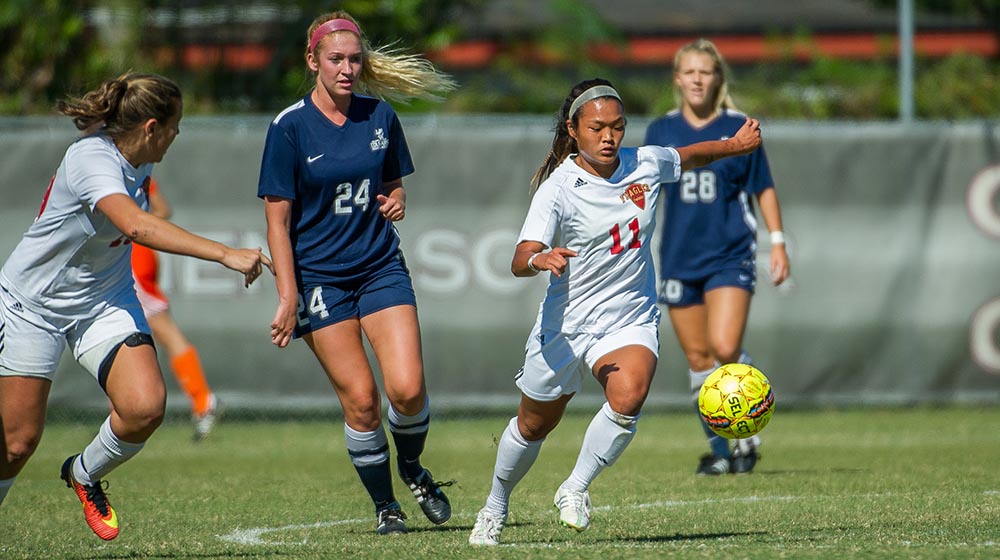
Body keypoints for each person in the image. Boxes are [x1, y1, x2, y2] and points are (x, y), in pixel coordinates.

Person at [468, 78, 762, 546]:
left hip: (629, 317)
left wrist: (734, 145)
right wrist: (539, 258)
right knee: (533, 424)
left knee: (629, 395)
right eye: (597, 128)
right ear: (573, 129)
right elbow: (520, 257)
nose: (609, 137)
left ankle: (575, 487)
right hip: (567, 324)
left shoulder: (645, 163)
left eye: (618, 127)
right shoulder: (559, 188)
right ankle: (495, 505)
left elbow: (692, 155)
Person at [0, 72, 272, 540]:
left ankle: (83, 473)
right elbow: (137, 226)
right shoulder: (91, 158)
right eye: (174, 125)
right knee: (17, 444)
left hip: (104, 299)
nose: (178, 133)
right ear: (150, 128)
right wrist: (225, 253)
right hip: (32, 305)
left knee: (145, 407)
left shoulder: (140, 157)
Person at [257, 11, 456, 536]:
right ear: (312, 61)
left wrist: (398, 199)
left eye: (354, 59)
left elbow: (393, 184)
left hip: (379, 266)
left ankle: (412, 468)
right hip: (319, 279)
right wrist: (287, 296)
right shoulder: (289, 127)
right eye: (335, 59)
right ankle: (386, 506)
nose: (347, 69)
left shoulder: (380, 115)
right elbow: (277, 223)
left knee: (407, 390)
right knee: (362, 402)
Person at [643, 38, 791, 476]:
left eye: (705, 72)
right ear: (677, 78)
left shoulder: (739, 127)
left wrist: (777, 241)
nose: (697, 80)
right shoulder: (661, 131)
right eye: (689, 72)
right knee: (698, 360)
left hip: (729, 253)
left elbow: (763, 186)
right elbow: (644, 190)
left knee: (724, 347)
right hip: (679, 257)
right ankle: (723, 451)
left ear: (718, 78)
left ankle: (749, 425)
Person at [131, 178, 221, 441]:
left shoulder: (124, 167)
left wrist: (135, 228)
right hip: (129, 254)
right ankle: (120, 409)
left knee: (160, 329)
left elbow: (162, 210)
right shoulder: (126, 166)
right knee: (128, 331)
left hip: (130, 255)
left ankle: (204, 401)